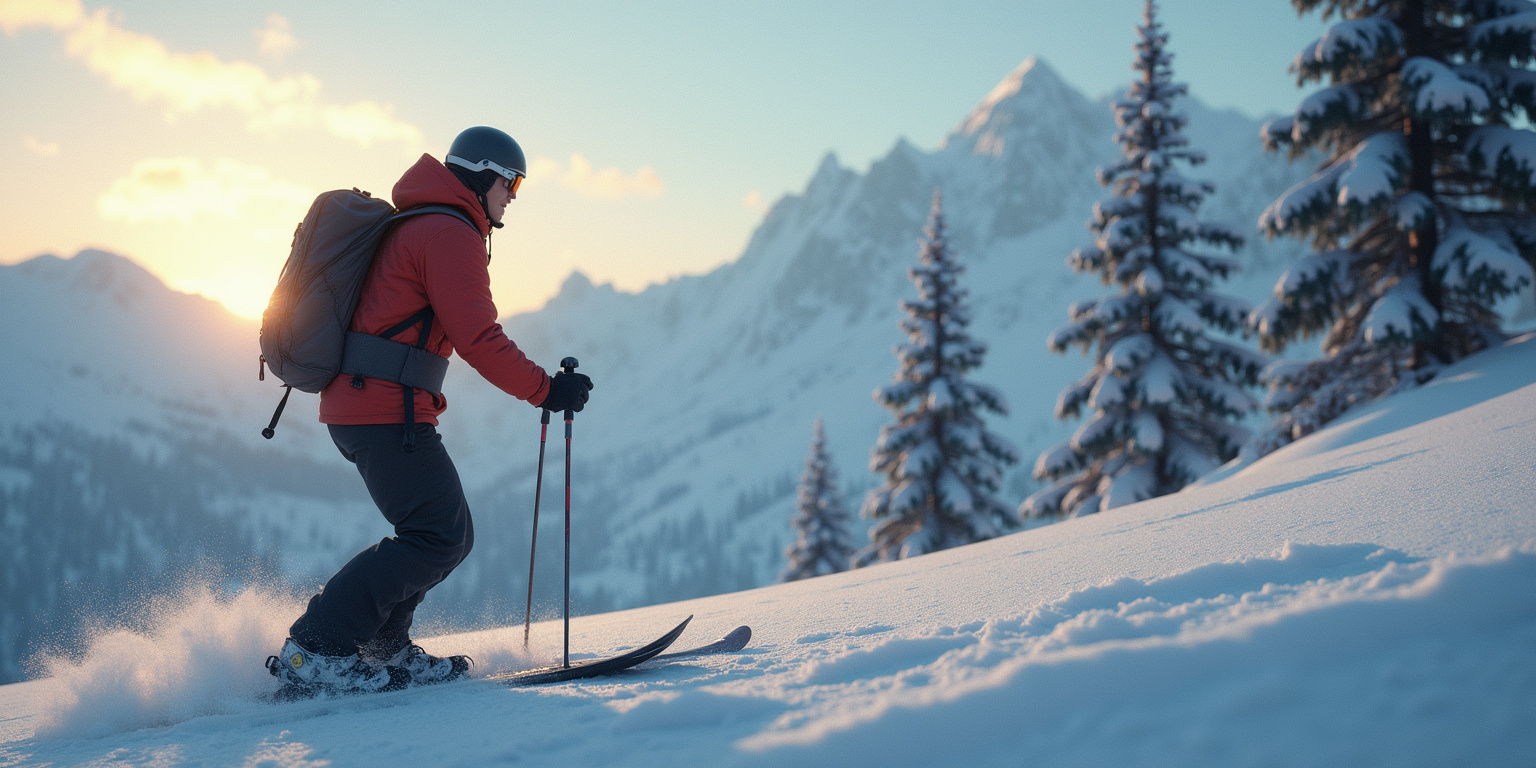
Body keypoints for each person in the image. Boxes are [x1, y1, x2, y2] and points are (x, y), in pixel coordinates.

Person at [267, 126, 593, 694]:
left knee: (446, 534)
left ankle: (382, 646)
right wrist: (546, 390)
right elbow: (478, 337)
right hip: (383, 409)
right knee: (438, 535)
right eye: (512, 183)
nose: (513, 196)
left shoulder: (425, 222)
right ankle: (315, 650)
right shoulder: (448, 232)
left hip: (373, 404)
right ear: (484, 176)